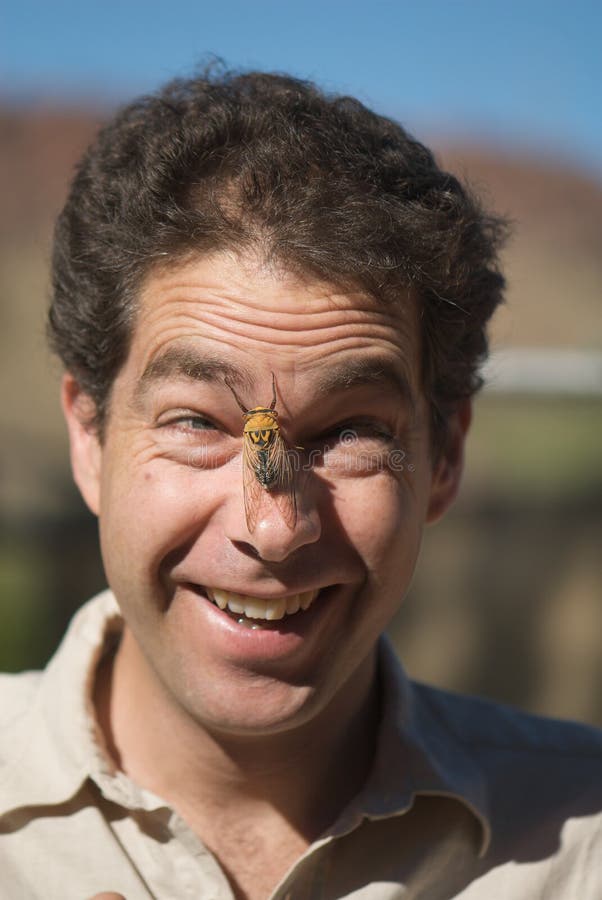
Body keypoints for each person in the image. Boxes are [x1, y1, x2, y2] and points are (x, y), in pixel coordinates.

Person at [0, 68, 600, 900]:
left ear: (446, 459)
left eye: (353, 431)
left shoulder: (582, 833)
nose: (275, 532)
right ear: (89, 437)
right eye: (195, 421)